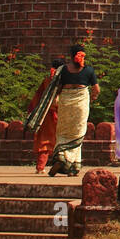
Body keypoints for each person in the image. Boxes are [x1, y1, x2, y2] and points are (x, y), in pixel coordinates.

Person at [47, 44, 99, 177]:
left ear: (71, 56)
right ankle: (71, 162)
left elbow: (57, 88)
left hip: (66, 102)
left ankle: (63, 158)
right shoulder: (89, 70)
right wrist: (92, 97)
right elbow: (96, 89)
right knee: (78, 132)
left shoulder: (63, 69)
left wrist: (54, 100)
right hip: (81, 103)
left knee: (63, 130)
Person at [25, 59, 64, 174]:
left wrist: (32, 111)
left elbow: (37, 97)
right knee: (55, 140)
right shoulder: (63, 82)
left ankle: (40, 166)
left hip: (48, 114)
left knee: (45, 140)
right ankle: (47, 166)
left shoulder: (47, 80)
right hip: (58, 113)